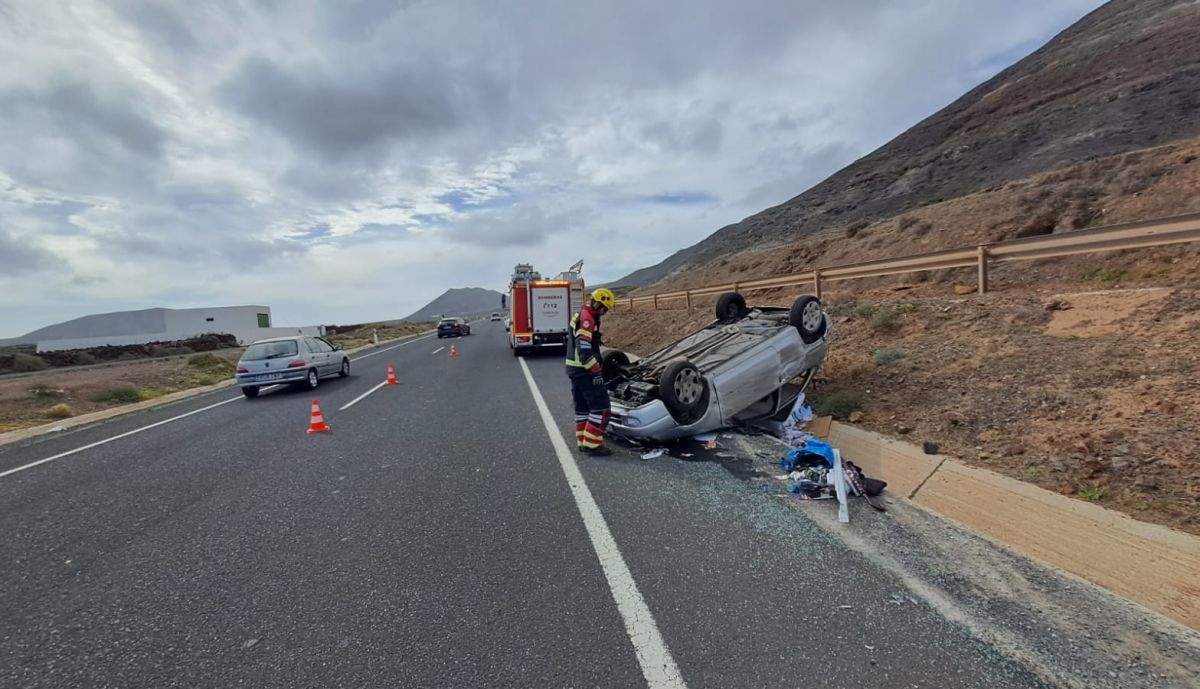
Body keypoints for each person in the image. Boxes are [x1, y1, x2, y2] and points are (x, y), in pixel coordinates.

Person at [566, 287, 617, 455]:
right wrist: (596, 373)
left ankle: (583, 441)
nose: (604, 312)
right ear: (597, 303)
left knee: (582, 408)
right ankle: (593, 445)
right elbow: (585, 351)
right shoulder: (587, 319)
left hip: (574, 370)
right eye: (604, 308)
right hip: (584, 370)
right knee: (601, 408)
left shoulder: (582, 313)